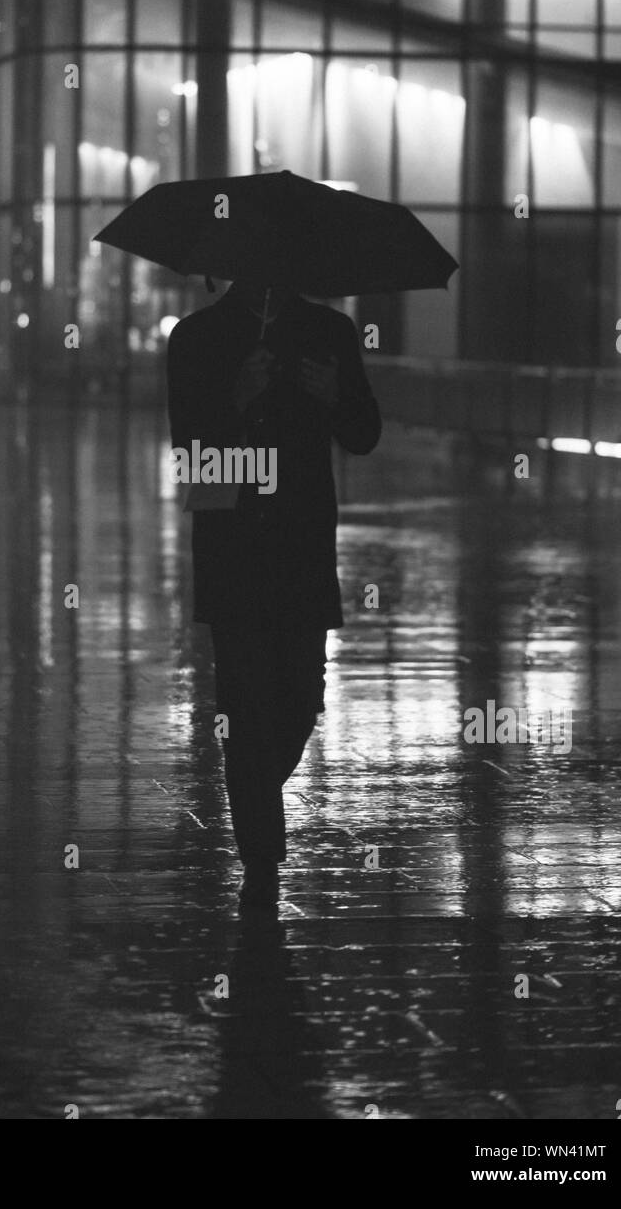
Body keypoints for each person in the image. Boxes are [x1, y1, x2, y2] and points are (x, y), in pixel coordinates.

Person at [167, 273, 382, 910]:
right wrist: (235, 398)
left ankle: (255, 797)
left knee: (300, 695)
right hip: (233, 544)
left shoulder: (328, 332)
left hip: (302, 541)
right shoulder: (197, 338)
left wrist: (335, 394)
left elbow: (365, 433)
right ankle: (261, 850)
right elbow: (190, 453)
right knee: (243, 693)